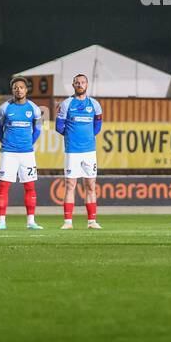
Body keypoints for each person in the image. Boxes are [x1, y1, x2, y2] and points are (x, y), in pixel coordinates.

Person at [0, 76, 43, 230]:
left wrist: (29, 143)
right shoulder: (4, 108)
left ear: (26, 89)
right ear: (12, 90)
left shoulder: (34, 109)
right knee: (3, 187)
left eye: (21, 87)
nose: (18, 90)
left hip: (27, 154)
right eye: (16, 87)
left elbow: (38, 129)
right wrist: (6, 143)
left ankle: (31, 222)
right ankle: (1, 222)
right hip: (8, 153)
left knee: (29, 187)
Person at [55, 74, 103, 230]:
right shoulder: (67, 104)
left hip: (89, 151)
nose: (80, 85)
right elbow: (59, 126)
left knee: (90, 185)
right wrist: (71, 136)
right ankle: (68, 222)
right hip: (72, 151)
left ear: (87, 85)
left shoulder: (95, 104)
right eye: (77, 83)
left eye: (83, 82)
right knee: (70, 185)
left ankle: (92, 221)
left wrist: (87, 137)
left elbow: (97, 127)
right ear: (73, 85)